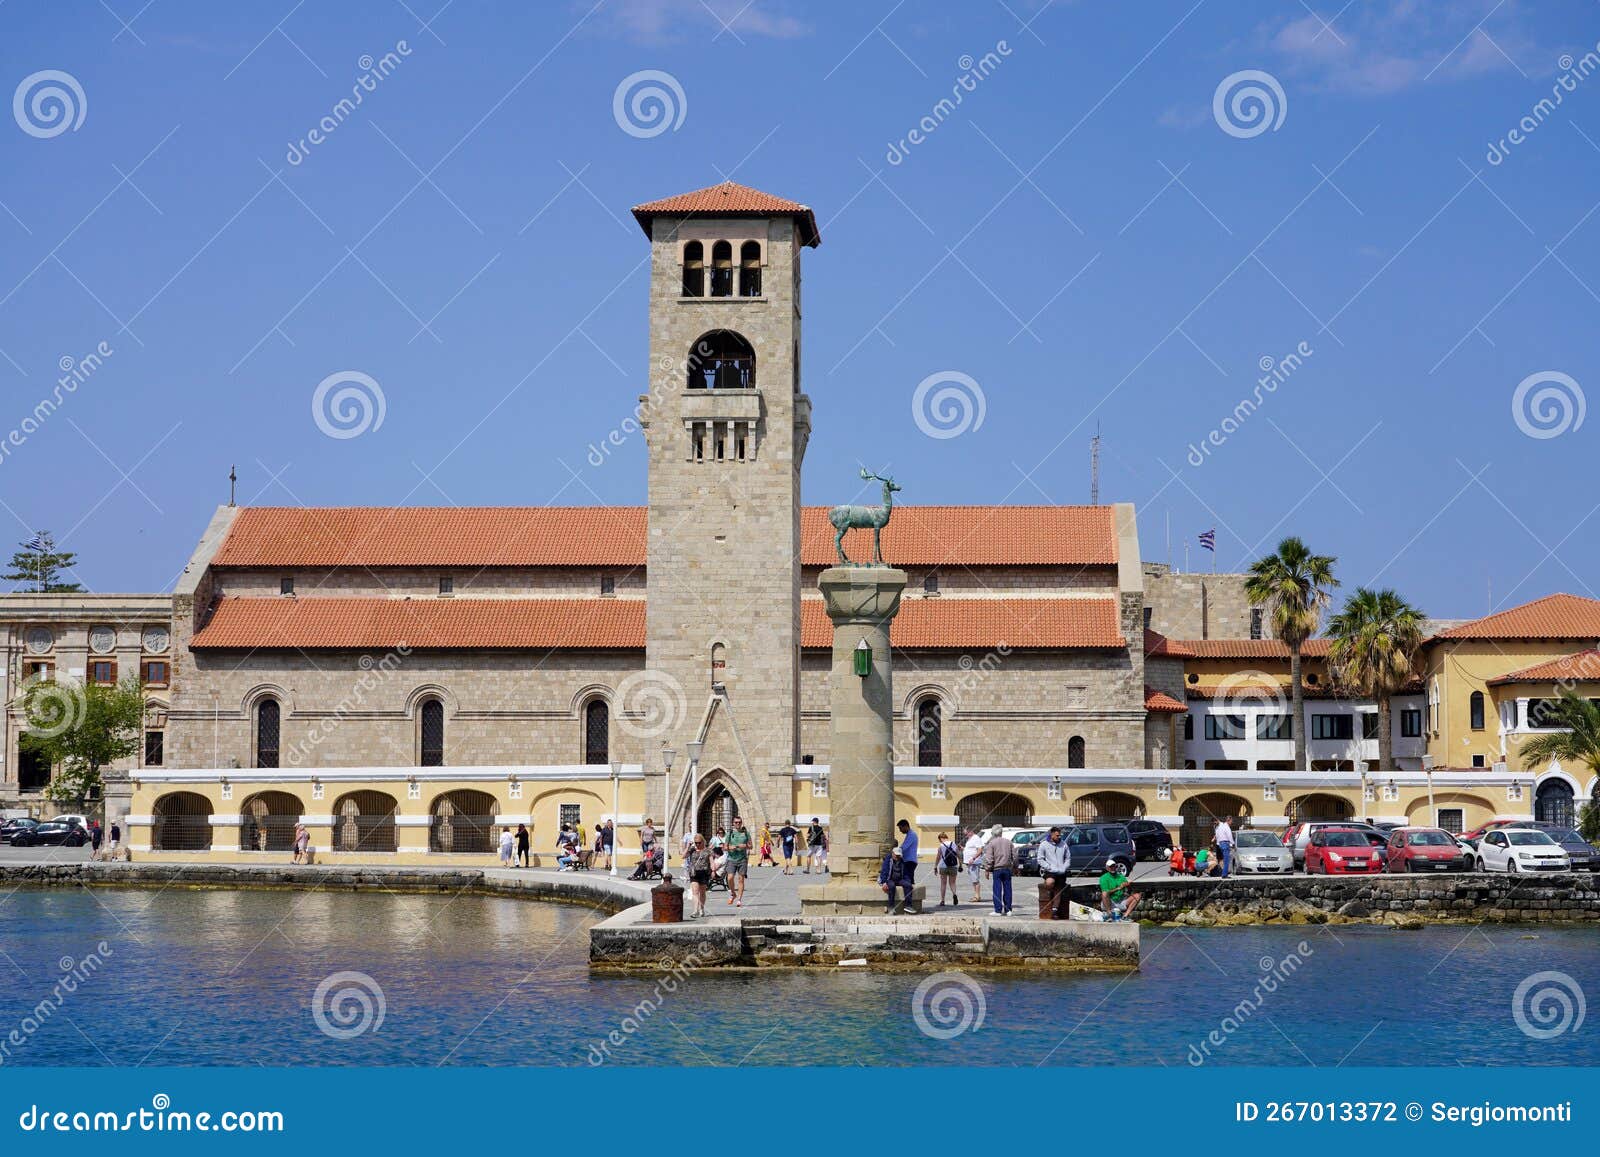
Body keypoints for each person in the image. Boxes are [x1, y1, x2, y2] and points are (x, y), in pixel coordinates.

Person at [1035, 825, 1072, 917]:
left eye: (1060, 835)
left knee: (1058, 889)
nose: (1059, 837)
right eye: (1057, 835)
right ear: (1051, 835)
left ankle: (1055, 910)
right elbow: (1040, 859)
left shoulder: (1064, 844)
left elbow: (1068, 858)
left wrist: (1064, 867)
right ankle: (1048, 890)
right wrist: (1048, 867)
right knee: (1050, 883)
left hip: (1061, 871)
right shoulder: (1044, 844)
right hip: (1050, 870)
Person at [980, 823, 1016, 915]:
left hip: (997, 869)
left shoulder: (992, 843)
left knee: (997, 889)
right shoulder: (1009, 842)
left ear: (993, 833)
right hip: (1007, 868)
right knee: (1008, 889)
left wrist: (987, 869)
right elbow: (1015, 856)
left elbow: (989, 858)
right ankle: (1008, 910)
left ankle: (998, 910)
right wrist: (1015, 867)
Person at [724, 815, 751, 907]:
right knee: (730, 878)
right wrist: (730, 847)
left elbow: (751, 846)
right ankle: (733, 893)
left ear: (741, 823)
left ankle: (739, 899)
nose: (738, 824)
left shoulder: (746, 833)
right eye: (736, 822)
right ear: (733, 823)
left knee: (741, 879)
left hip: (742, 859)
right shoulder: (729, 833)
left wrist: (745, 846)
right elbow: (725, 847)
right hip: (731, 859)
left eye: (739, 822)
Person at [879, 846, 914, 914]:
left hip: (899, 879)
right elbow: (884, 871)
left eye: (899, 855)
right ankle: (891, 907)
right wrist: (884, 882)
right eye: (896, 855)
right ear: (892, 853)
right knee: (891, 886)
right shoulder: (888, 860)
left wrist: (908, 881)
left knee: (908, 885)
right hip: (890, 879)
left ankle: (908, 906)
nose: (897, 857)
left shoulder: (902, 861)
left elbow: (906, 873)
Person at [685, 834, 712, 917]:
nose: (697, 844)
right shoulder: (692, 850)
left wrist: (713, 870)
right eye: (696, 843)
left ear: (703, 842)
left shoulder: (708, 851)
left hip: (704, 873)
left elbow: (712, 862)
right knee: (695, 892)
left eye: (699, 842)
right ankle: (695, 910)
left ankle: (701, 909)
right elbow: (683, 856)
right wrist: (688, 846)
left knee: (702, 893)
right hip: (694, 873)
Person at [934, 832, 962, 906]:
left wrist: (935, 866)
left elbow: (938, 857)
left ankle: (942, 900)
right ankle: (954, 894)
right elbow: (959, 855)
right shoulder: (953, 844)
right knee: (952, 883)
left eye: (939, 840)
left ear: (940, 838)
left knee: (943, 883)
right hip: (953, 866)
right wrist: (960, 865)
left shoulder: (941, 846)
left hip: (943, 866)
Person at [896, 818, 919, 908]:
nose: (900, 830)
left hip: (909, 861)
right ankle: (911, 901)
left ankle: (909, 903)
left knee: (908, 882)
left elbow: (904, 847)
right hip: (908, 861)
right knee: (910, 881)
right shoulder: (909, 834)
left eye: (901, 828)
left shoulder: (912, 835)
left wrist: (894, 851)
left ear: (906, 826)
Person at [962, 826, 985, 902]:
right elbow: (971, 849)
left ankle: (977, 896)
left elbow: (980, 849)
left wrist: (974, 858)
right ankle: (976, 895)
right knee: (973, 879)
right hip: (969, 863)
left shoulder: (976, 838)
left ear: (970, 831)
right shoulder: (970, 839)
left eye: (966, 833)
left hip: (974, 862)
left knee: (975, 879)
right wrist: (963, 849)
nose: (965, 835)